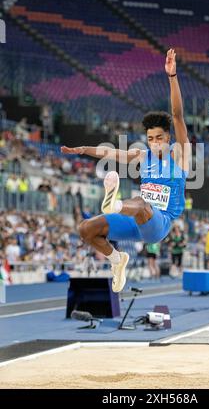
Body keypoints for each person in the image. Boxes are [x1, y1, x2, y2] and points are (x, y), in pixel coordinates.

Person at [61, 49, 190, 293]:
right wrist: (83, 149)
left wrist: (172, 76)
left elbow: (177, 115)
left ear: (168, 137)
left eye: (160, 137)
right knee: (86, 229)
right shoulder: (143, 155)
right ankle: (117, 259)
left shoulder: (180, 154)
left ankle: (115, 205)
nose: (155, 142)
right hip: (132, 220)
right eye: (151, 138)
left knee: (141, 204)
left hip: (158, 224)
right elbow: (110, 153)